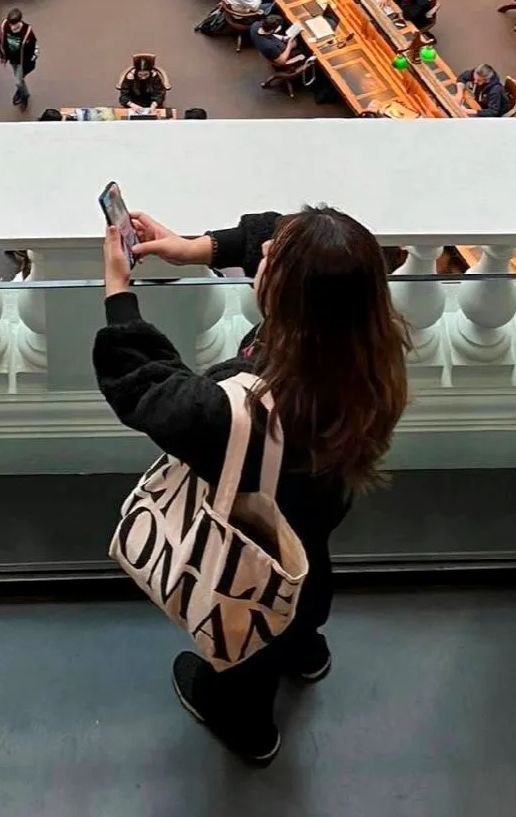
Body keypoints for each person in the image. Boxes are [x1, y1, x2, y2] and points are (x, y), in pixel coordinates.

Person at [94, 203, 410, 762]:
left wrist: (117, 293)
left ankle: (246, 724)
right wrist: (192, 247)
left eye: (269, 260)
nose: (260, 250)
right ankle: (306, 648)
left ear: (286, 298)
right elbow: (298, 243)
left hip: (256, 524)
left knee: (253, 620)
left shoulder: (249, 406)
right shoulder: (366, 350)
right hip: (319, 504)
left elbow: (155, 394)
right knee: (307, 566)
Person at [0, 8, 38, 109]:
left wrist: (27, 65)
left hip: (23, 61)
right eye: (10, 24)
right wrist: (2, 56)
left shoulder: (27, 33)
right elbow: (1, 41)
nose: (11, 27)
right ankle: (20, 89)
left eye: (14, 24)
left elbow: (32, 49)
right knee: (19, 78)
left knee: (18, 81)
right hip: (12, 58)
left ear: (20, 22)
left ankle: (25, 95)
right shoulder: (5, 26)